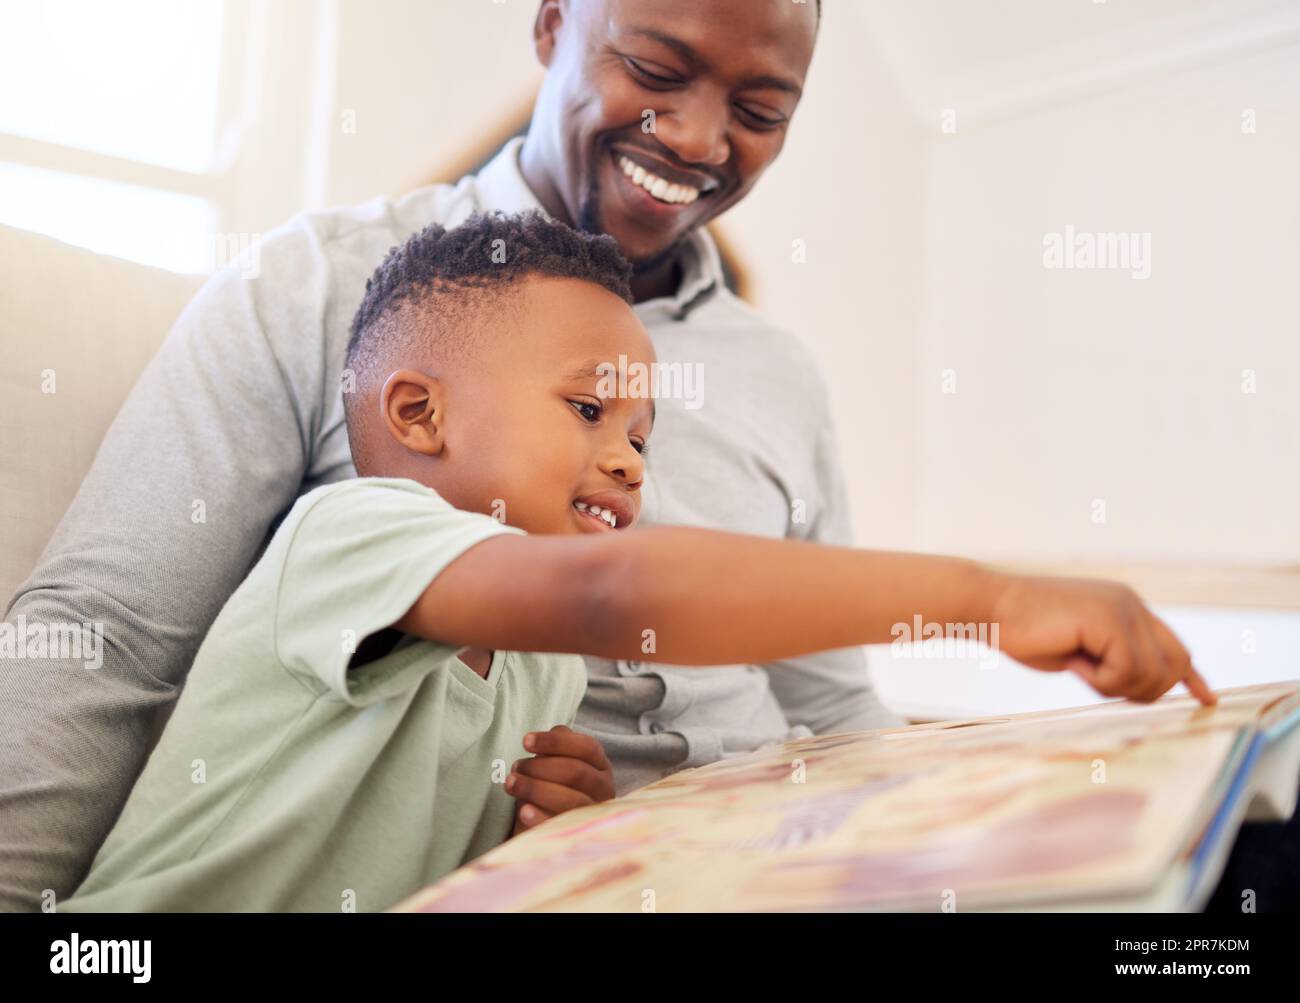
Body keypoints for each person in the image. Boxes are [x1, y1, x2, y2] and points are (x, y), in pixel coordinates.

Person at [59, 212, 1212, 912]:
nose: (626, 464)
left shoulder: (539, 671)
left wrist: (550, 828)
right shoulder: (353, 534)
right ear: (415, 412)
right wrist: (986, 599)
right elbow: (625, 594)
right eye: (587, 412)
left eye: (641, 437)